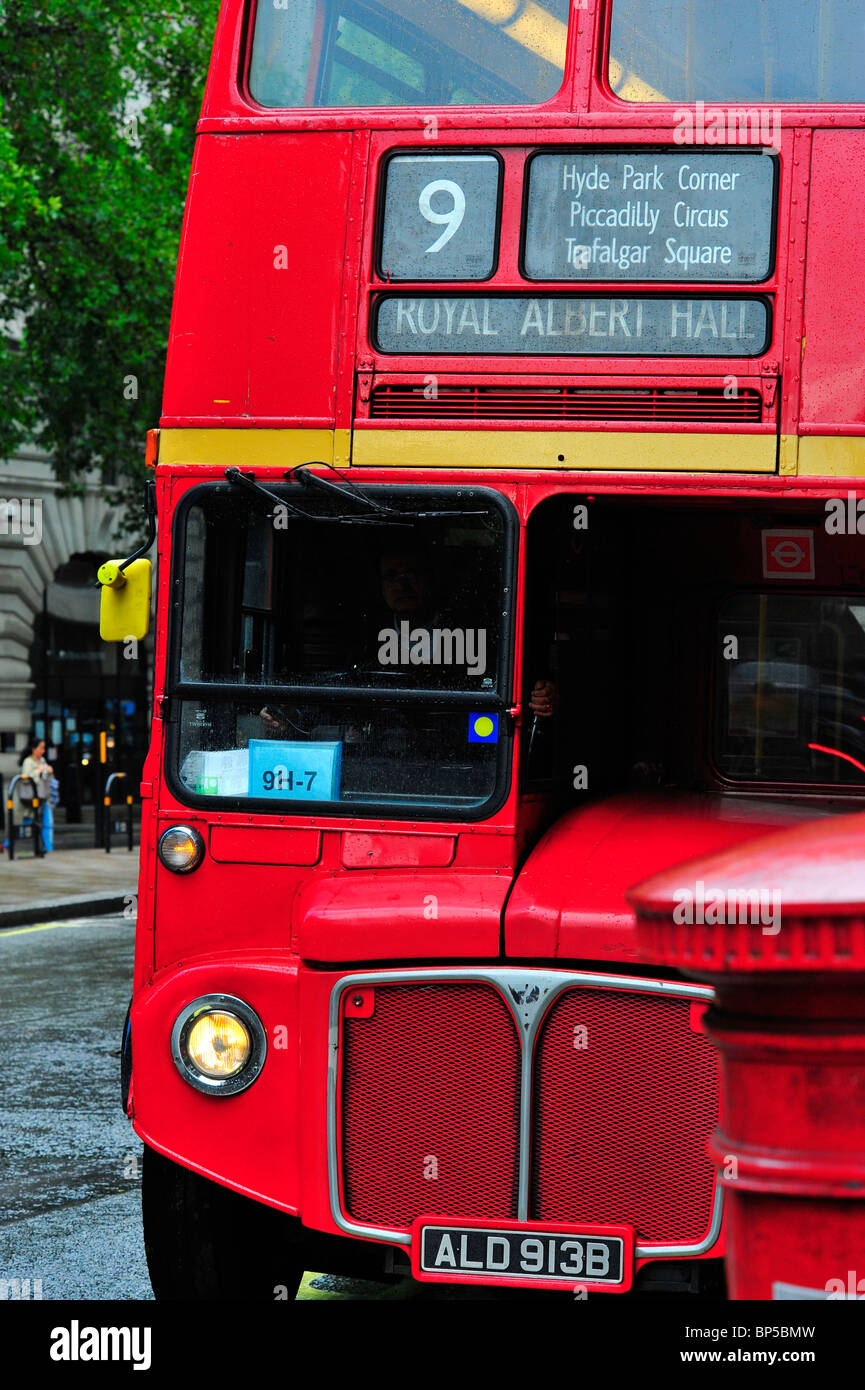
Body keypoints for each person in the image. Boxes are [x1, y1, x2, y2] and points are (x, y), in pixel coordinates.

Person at [15, 735, 54, 856]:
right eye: (41, 748)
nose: (43, 751)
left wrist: (49, 771)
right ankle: (7, 845)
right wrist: (39, 770)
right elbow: (26, 778)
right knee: (26, 825)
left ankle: (48, 848)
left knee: (47, 823)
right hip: (31, 798)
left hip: (43, 797)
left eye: (44, 748)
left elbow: (46, 779)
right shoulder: (28, 761)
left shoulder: (42, 761)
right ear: (34, 749)